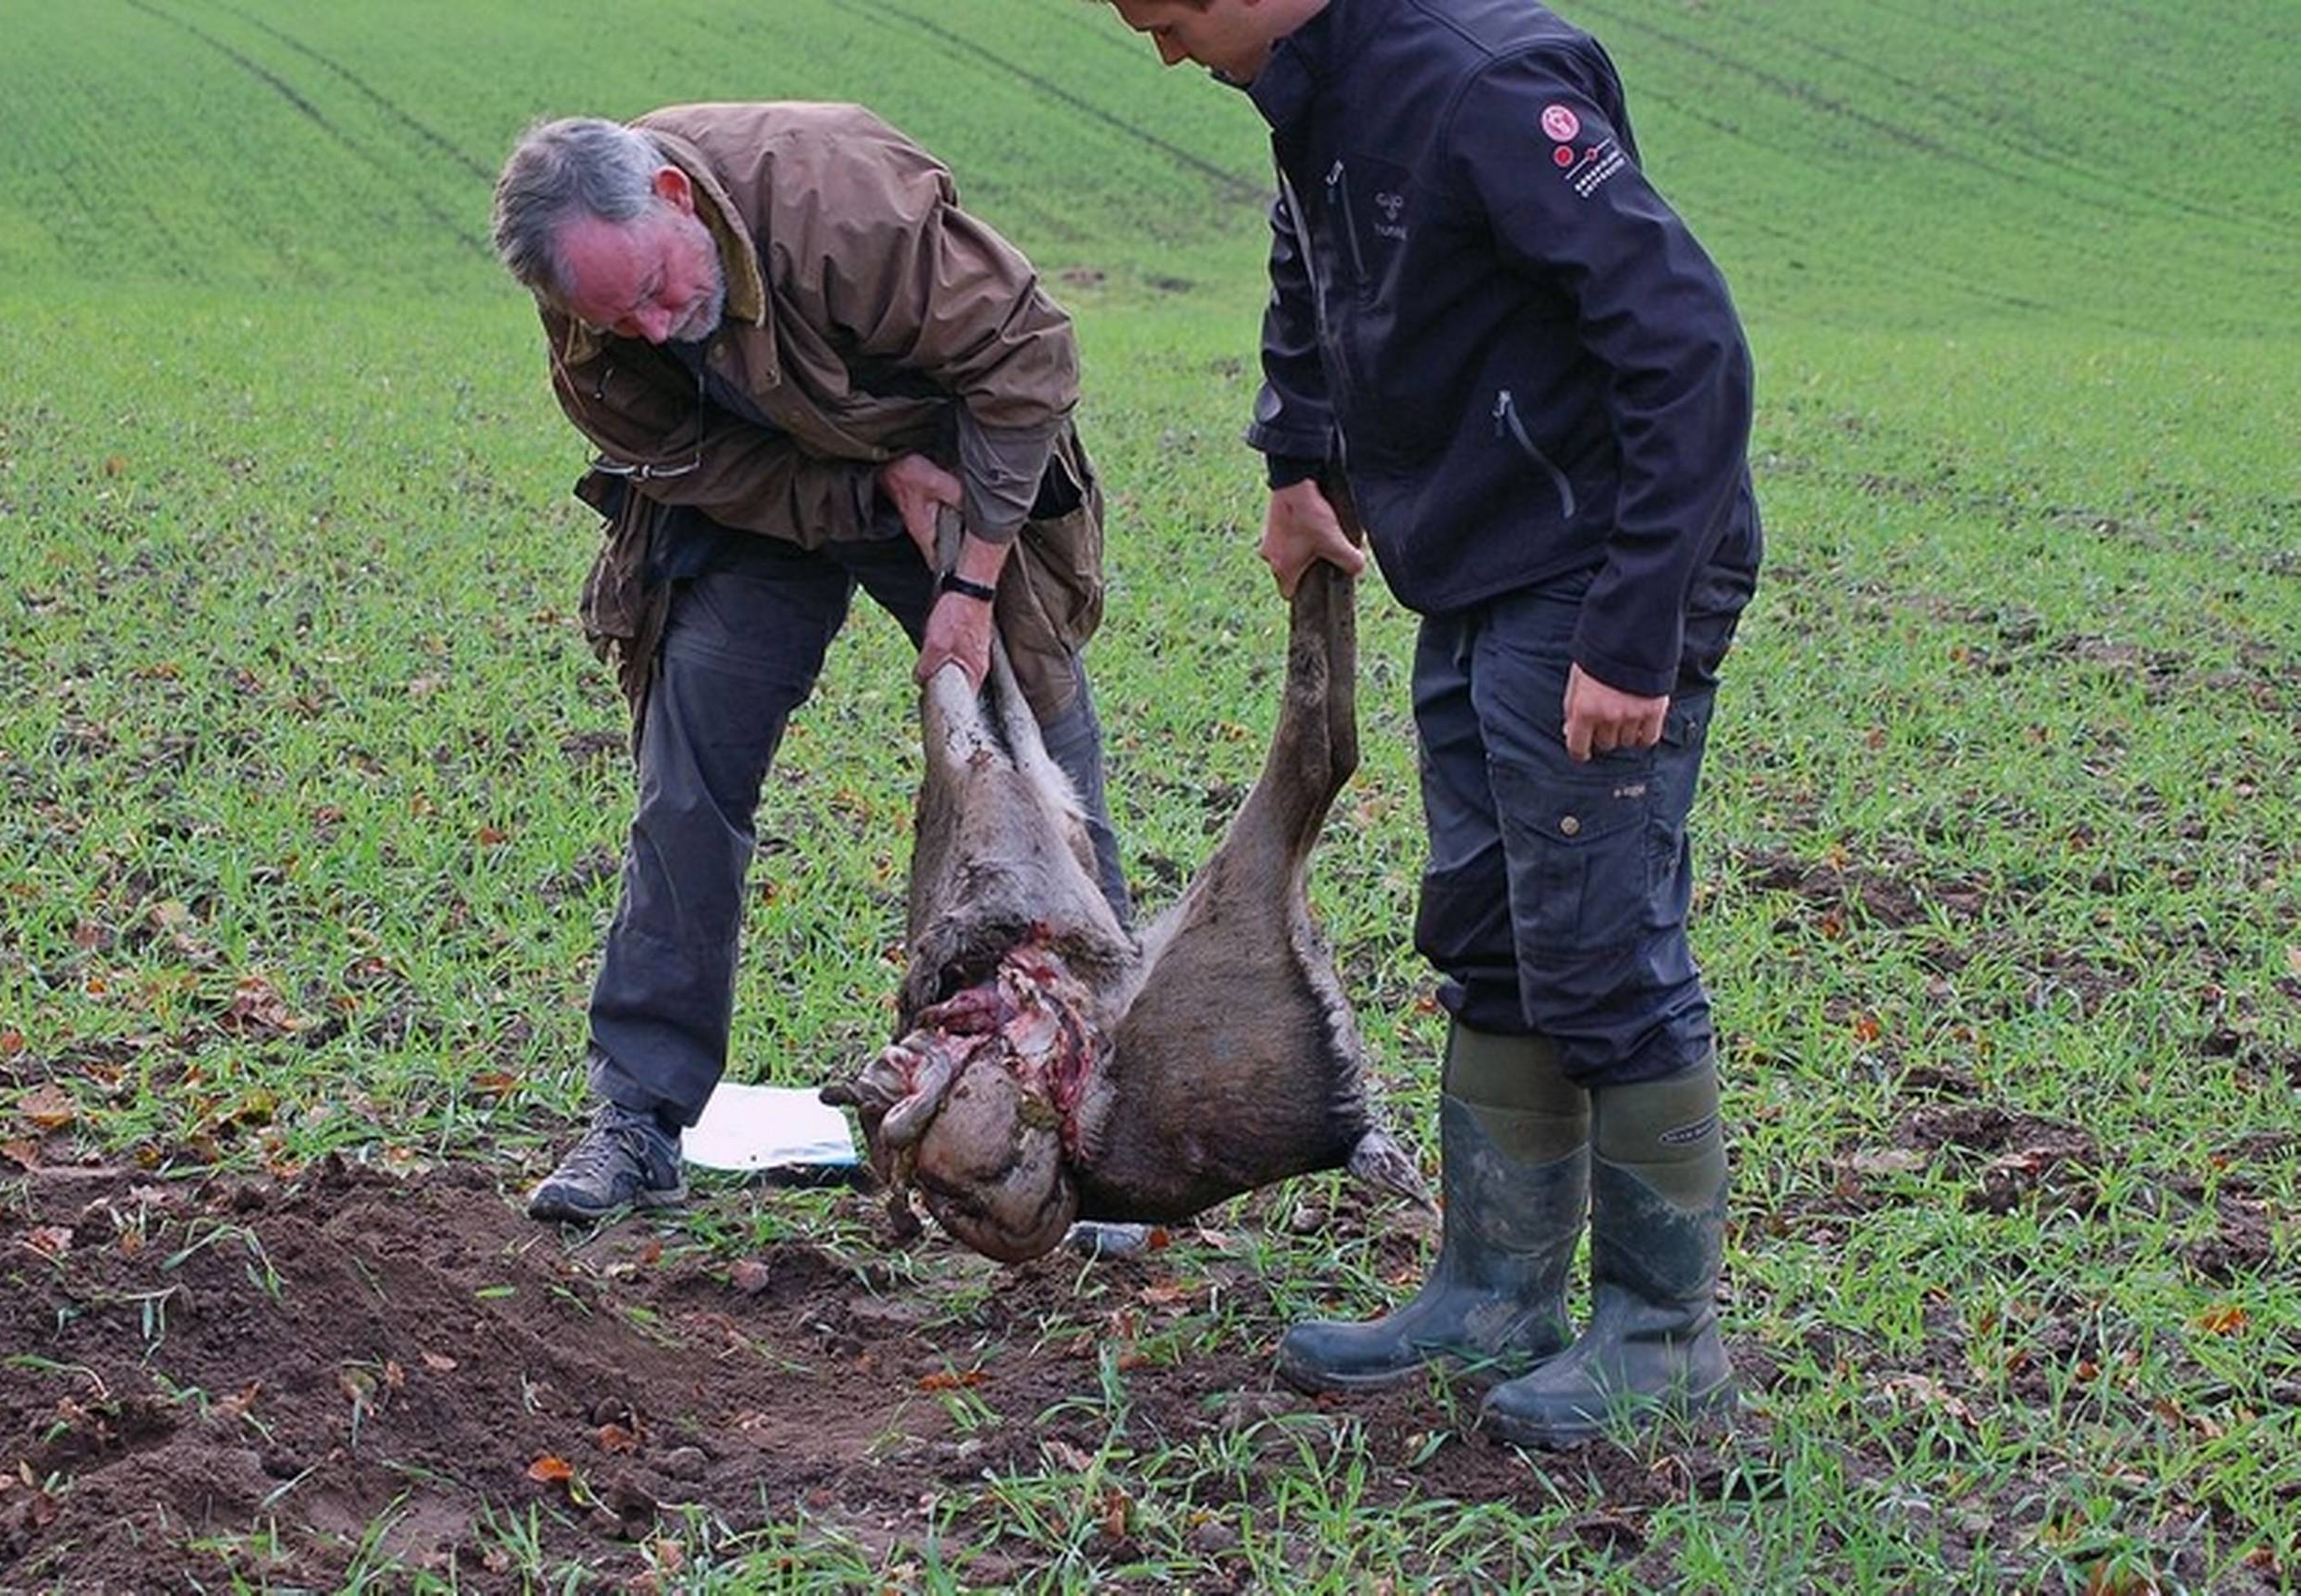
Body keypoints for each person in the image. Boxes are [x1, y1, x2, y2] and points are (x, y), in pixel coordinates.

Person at [1098, 0, 1762, 1445]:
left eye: (1176, 14)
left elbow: (1691, 343)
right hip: (1479, 564)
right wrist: (1297, 452)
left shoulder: (1480, 83)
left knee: (1598, 941)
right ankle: (1492, 1289)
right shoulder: (1317, 88)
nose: (1166, 49)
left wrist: (1634, 626)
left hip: (1594, 567)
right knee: (1488, 928)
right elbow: (1317, 261)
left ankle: (1665, 1334)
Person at [490, 105, 1132, 1225]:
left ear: (677, 199)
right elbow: (677, 456)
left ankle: (1103, 1121)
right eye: (615, 315)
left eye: (654, 289)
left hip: (955, 477)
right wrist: (850, 493)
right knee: (687, 779)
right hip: (776, 503)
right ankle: (637, 1122)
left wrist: (972, 583)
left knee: (1045, 781)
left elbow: (1031, 360)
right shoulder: (592, 321)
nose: (649, 325)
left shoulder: (838, 202)